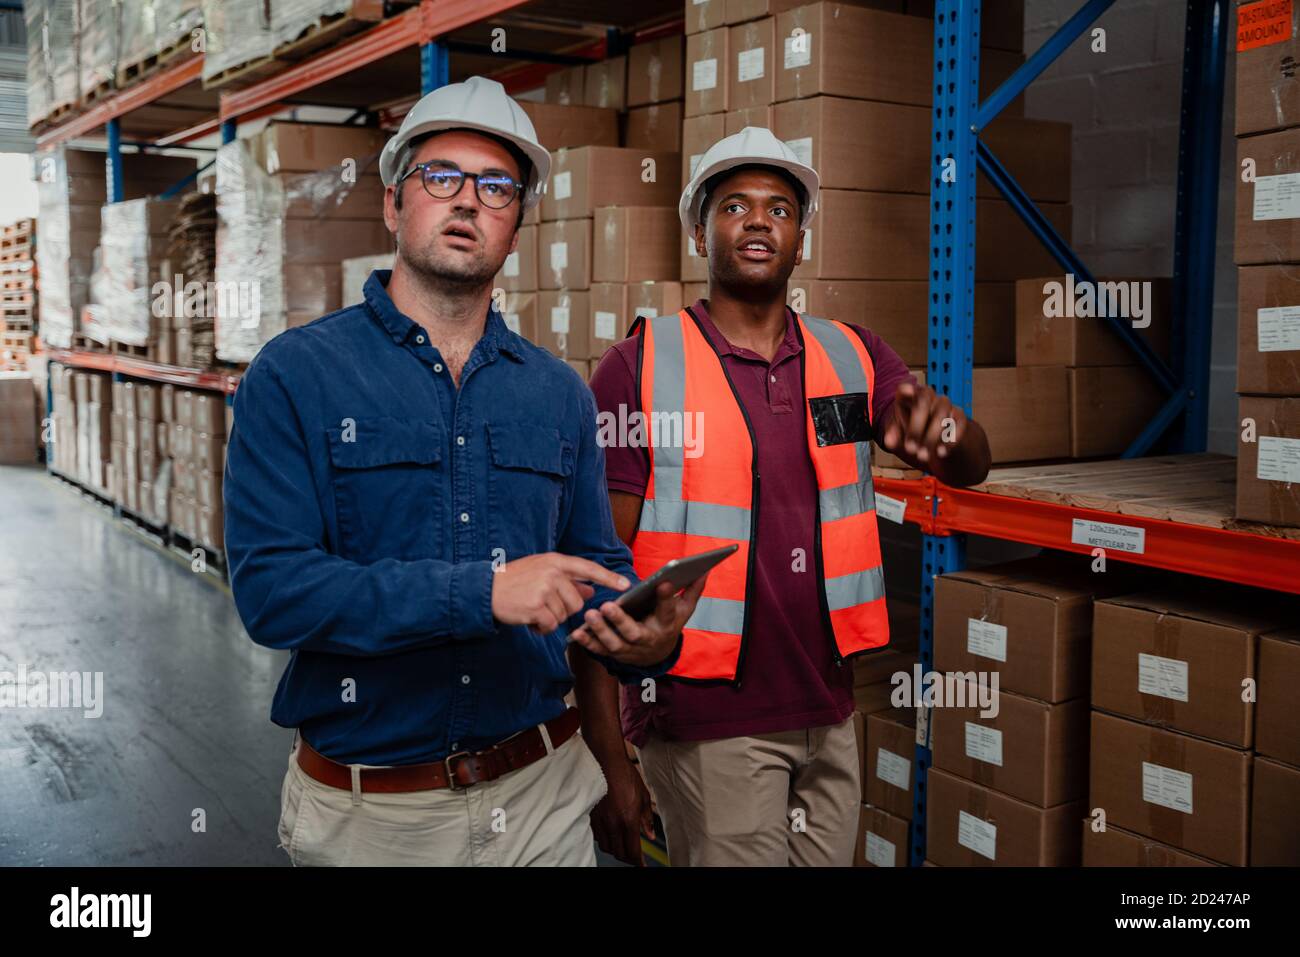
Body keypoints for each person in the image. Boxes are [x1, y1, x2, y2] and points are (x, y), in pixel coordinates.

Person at [222, 76, 704, 867]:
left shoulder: (559, 394)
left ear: (515, 227)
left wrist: (639, 638)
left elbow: (597, 570)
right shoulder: (295, 376)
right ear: (392, 203)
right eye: (441, 177)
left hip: (542, 791)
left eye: (497, 187)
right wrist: (482, 591)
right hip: (376, 815)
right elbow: (274, 592)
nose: (469, 201)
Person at [577, 127, 992, 866]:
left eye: (780, 207)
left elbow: (969, 465)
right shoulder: (638, 367)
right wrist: (609, 760)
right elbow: (594, 573)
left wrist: (946, 432)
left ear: (803, 236)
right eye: (734, 205)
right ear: (699, 231)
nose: (759, 220)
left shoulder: (853, 355)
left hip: (830, 711)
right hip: (704, 725)